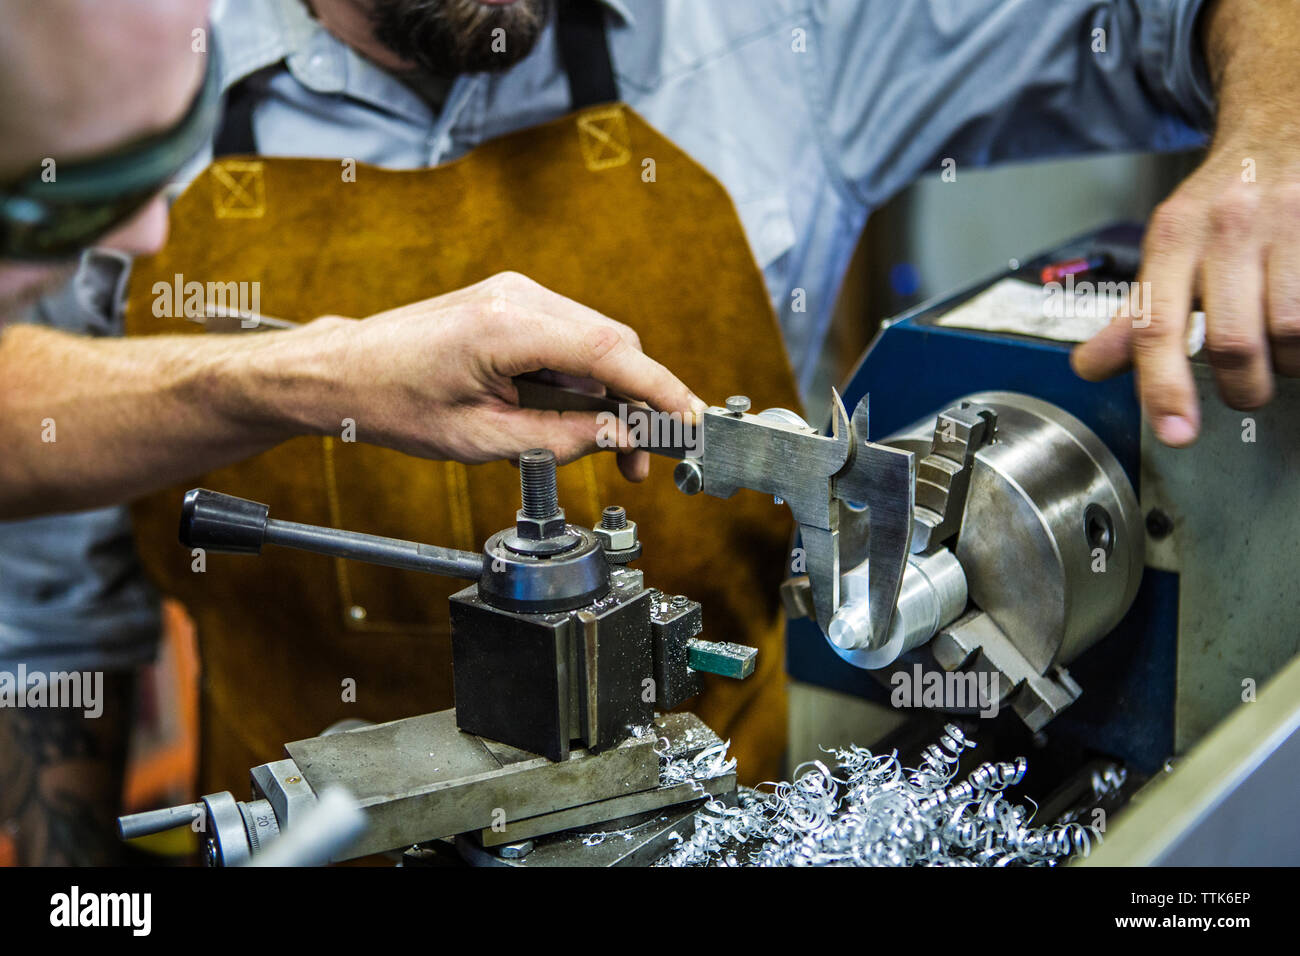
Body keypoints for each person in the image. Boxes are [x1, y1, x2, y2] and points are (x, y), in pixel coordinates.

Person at [0, 0, 698, 864]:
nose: (142, 227)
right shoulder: (112, 63)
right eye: (56, 208)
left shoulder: (777, 44)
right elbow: (52, 618)